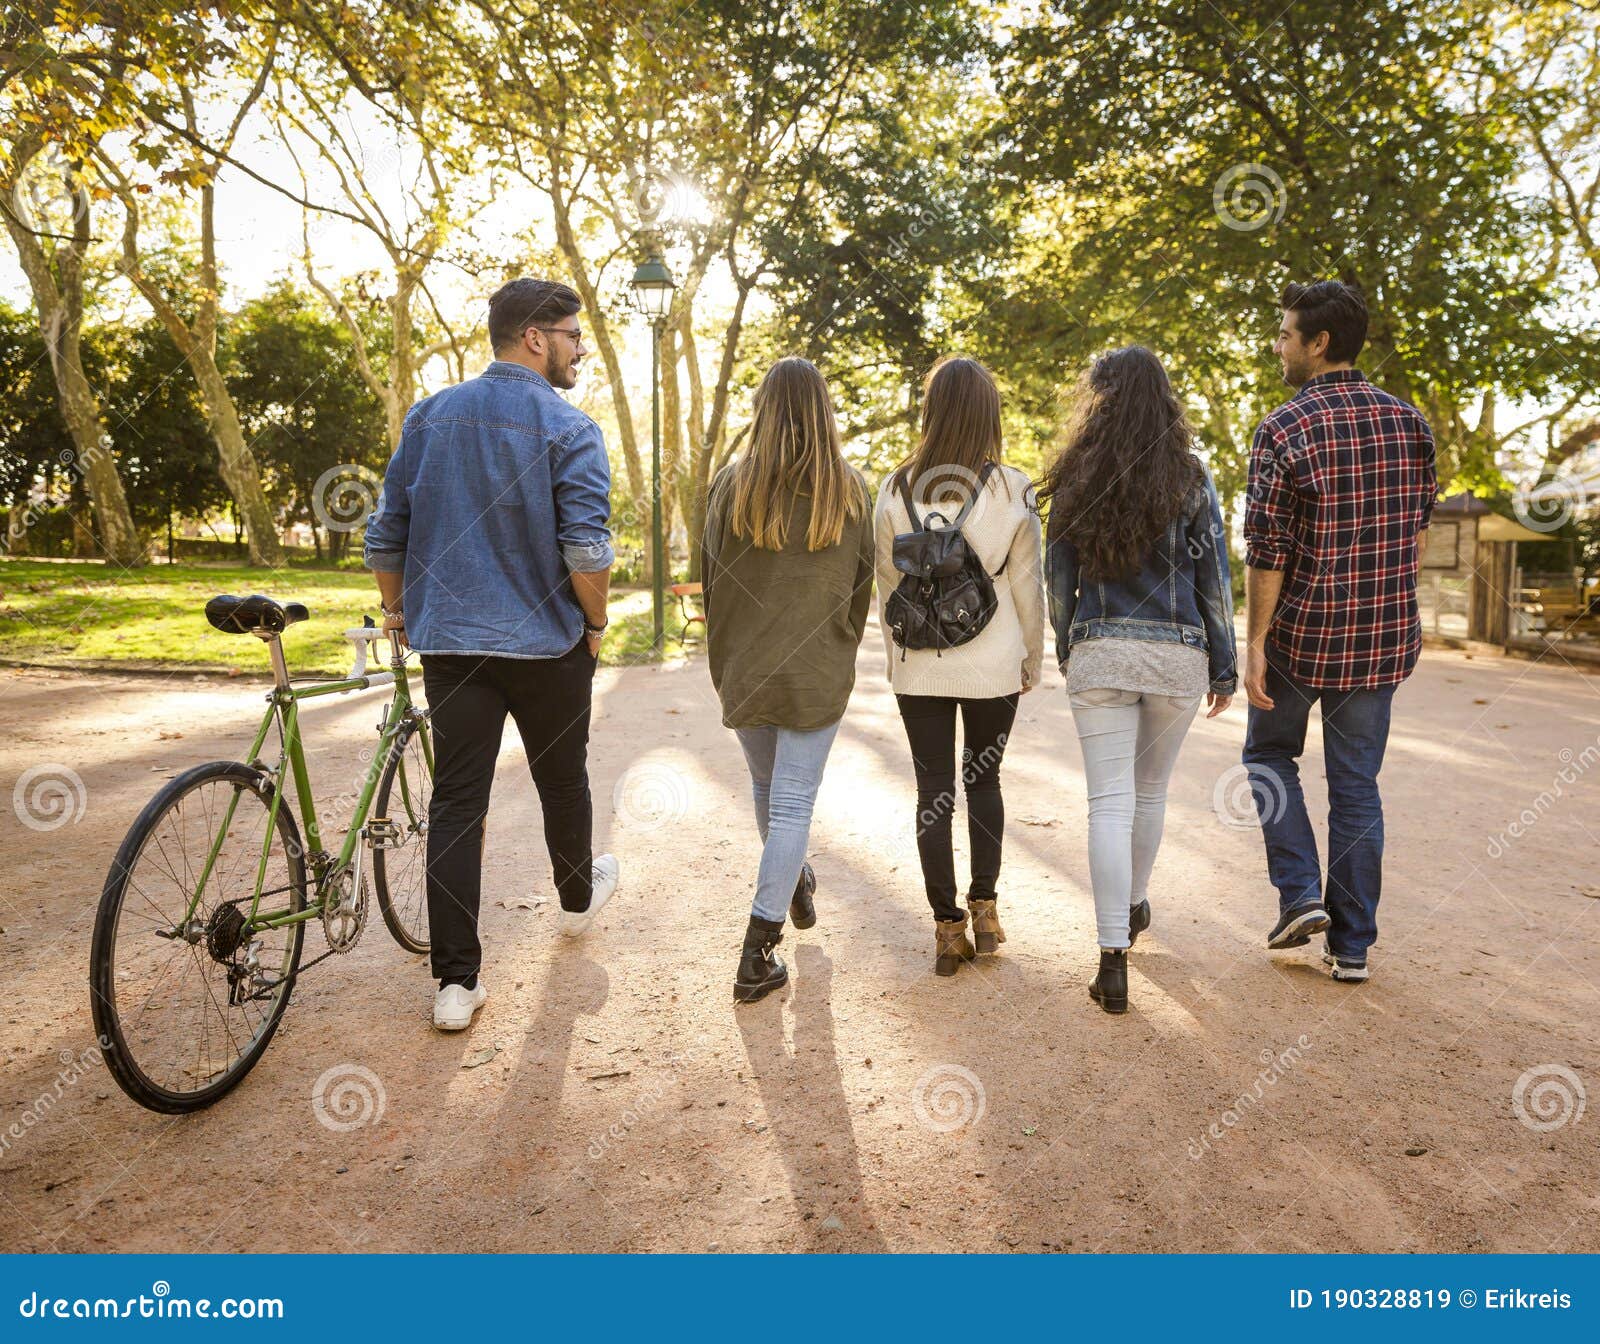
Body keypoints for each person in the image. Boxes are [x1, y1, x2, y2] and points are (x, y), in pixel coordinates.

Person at [365, 277, 621, 1032]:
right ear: (535, 337)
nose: (581, 349)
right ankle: (577, 898)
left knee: (457, 803)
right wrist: (595, 623)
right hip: (547, 644)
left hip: (452, 644)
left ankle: (455, 984)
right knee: (561, 780)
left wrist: (396, 609)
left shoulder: (429, 416)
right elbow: (586, 548)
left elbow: (387, 534)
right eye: (573, 334)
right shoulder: (569, 427)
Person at [1242, 281, 1436, 984]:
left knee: (1268, 758)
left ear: (1319, 343)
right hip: (1380, 639)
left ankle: (1298, 895)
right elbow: (1413, 533)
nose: (1279, 344)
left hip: (1302, 635)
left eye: (1286, 333)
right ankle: (1351, 947)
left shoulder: (1283, 428)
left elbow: (1268, 550)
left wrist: (1256, 642)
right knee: (1356, 785)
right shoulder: (1410, 424)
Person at [1040, 346, 1236, 1015]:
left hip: (1102, 650)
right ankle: (1132, 906)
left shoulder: (1075, 478)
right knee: (1149, 794)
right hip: (1177, 658)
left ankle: (1111, 956)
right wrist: (1226, 664)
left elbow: (1058, 577)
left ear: (1097, 399)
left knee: (1109, 803)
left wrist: (1070, 645)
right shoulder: (1189, 477)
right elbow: (1215, 581)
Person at [701, 357, 874, 1004]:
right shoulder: (851, 491)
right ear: (823, 412)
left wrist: (728, 659)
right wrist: (839, 646)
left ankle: (792, 880)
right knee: (793, 803)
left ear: (762, 409)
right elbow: (862, 592)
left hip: (743, 668)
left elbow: (713, 580)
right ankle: (757, 949)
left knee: (770, 789)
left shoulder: (728, 486)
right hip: (815, 671)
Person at [872, 356, 1044, 976]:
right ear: (988, 414)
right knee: (986, 784)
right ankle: (987, 907)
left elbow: (886, 584)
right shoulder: (1014, 488)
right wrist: (1033, 653)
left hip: (920, 663)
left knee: (933, 792)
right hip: (994, 661)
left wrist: (897, 659)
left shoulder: (895, 488)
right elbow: (1028, 583)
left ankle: (947, 927)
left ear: (932, 410)